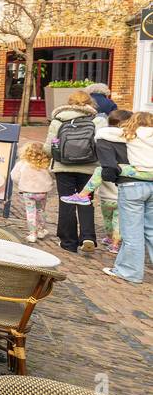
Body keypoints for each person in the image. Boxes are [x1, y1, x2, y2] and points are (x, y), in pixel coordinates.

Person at [60, 110, 153, 252]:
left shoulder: (133, 135)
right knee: (148, 227)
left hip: (138, 173)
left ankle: (83, 195)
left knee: (100, 170)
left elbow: (109, 134)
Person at [47, 90, 103, 253]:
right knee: (85, 200)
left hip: (63, 167)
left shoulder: (58, 119)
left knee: (66, 203)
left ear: (69, 102)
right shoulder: (97, 120)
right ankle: (88, 236)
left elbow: (48, 147)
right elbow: (100, 145)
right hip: (88, 167)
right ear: (90, 103)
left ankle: (68, 242)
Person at [103, 111, 153, 283]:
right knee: (151, 230)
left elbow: (104, 133)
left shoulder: (131, 135)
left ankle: (130, 271)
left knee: (132, 231)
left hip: (133, 184)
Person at [10, 142, 55, 243]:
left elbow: (14, 176)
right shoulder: (46, 164)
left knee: (31, 212)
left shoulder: (22, 163)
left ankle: (32, 234)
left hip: (28, 192)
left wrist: (21, 183)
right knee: (41, 211)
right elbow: (53, 176)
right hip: (42, 192)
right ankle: (41, 230)